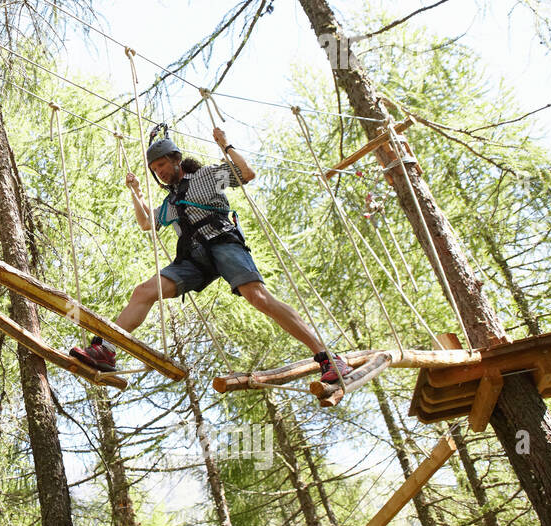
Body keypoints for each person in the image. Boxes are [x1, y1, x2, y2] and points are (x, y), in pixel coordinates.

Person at [69, 126, 353, 385]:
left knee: (258, 297)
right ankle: (106, 350)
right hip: (192, 259)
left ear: (176, 159)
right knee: (144, 291)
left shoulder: (206, 176)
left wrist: (225, 145)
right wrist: (136, 193)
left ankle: (327, 356)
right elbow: (146, 223)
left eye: (163, 165)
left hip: (223, 242)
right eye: (155, 169)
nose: (161, 172)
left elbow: (246, 175)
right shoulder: (171, 201)